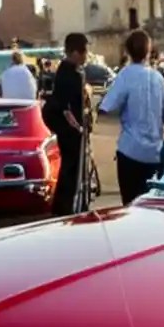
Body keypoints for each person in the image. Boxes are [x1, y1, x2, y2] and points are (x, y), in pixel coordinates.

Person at [97, 29, 164, 205]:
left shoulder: (125, 75)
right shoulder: (158, 79)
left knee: (129, 206)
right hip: (154, 155)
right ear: (149, 52)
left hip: (130, 152)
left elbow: (106, 107)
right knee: (152, 207)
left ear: (127, 51)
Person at [43, 33, 91, 216]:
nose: (87, 55)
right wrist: (79, 128)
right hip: (70, 131)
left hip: (67, 128)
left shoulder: (67, 71)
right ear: (75, 52)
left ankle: (67, 206)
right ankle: (67, 208)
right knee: (70, 171)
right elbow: (67, 108)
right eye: (84, 51)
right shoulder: (70, 75)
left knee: (69, 170)